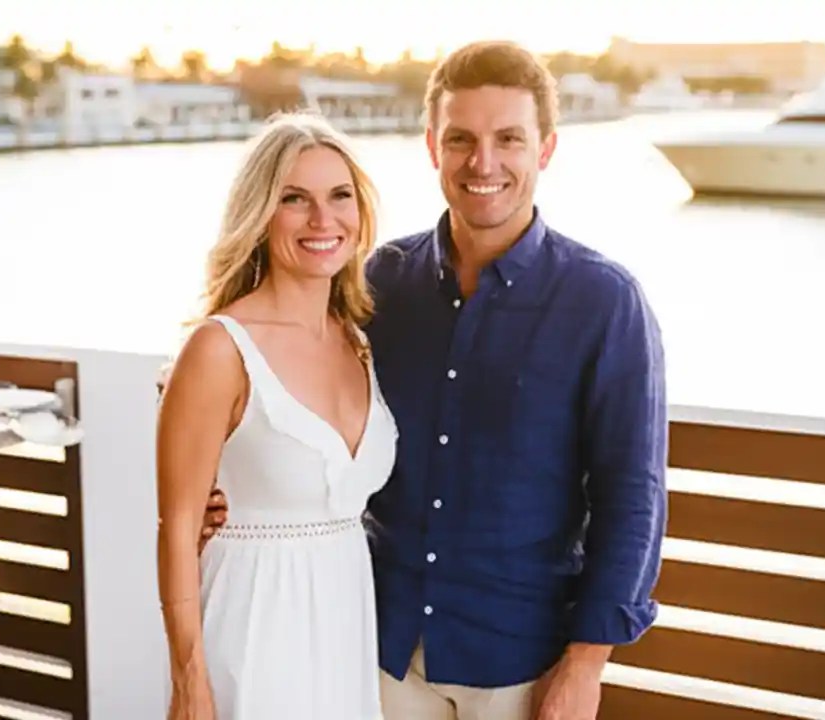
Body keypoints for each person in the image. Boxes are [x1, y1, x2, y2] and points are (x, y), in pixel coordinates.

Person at [194, 40, 668, 720]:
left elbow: (633, 498)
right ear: (431, 147)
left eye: (509, 139)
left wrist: (586, 665)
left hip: (518, 662)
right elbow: (280, 362)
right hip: (376, 648)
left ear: (546, 149)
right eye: (461, 139)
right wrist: (224, 476)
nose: (484, 162)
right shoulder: (378, 280)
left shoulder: (604, 301)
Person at [154, 112, 398, 720]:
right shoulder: (219, 348)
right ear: (261, 214)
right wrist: (189, 682)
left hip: (344, 619)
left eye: (340, 196)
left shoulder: (357, 342)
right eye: (295, 199)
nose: (323, 220)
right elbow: (179, 529)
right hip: (253, 620)